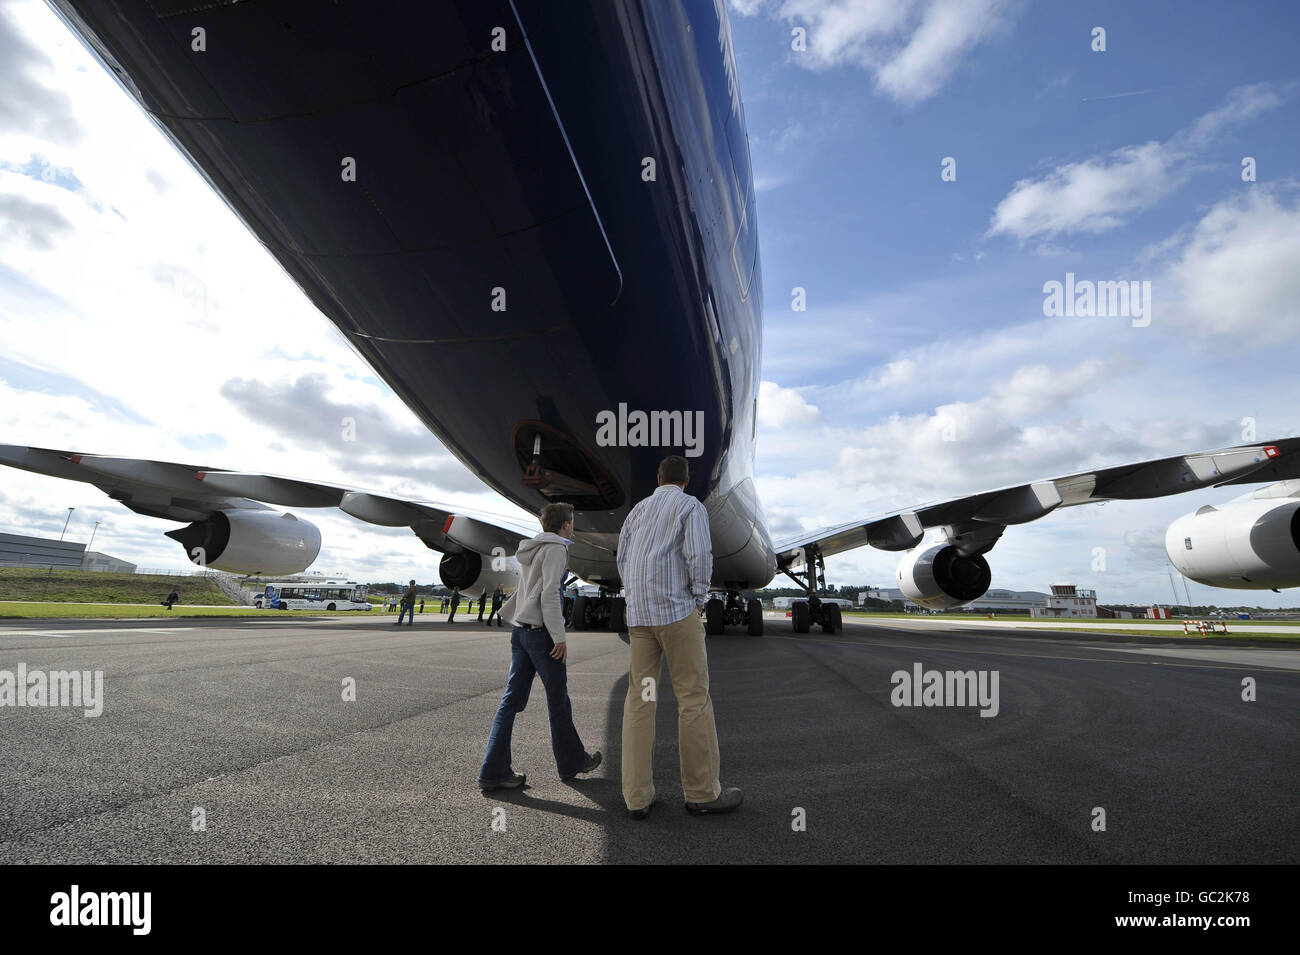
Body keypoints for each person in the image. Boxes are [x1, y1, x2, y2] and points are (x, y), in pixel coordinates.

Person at [617, 454, 741, 819]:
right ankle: (701, 793)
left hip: (639, 619)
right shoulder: (690, 507)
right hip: (675, 613)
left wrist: (636, 597)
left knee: (640, 702)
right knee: (692, 698)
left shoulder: (637, 511)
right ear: (687, 480)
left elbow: (623, 558)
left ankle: (636, 797)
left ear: (659, 477)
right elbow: (700, 555)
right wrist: (700, 600)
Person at [477, 502, 601, 790]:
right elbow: (549, 595)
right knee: (558, 701)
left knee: (510, 703)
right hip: (541, 634)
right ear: (565, 525)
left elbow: (529, 589)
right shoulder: (557, 548)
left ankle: (493, 772)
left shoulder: (530, 548)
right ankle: (572, 762)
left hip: (520, 633)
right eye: (572, 521)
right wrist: (559, 637)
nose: (573, 525)